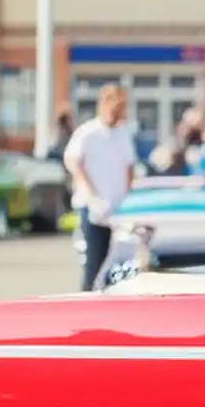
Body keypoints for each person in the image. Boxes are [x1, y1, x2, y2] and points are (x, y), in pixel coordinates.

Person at [63, 83, 136, 291]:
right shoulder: (88, 132)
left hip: (117, 208)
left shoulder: (123, 133)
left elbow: (128, 166)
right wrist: (90, 192)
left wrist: (128, 196)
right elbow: (73, 162)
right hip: (93, 207)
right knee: (93, 262)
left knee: (115, 264)